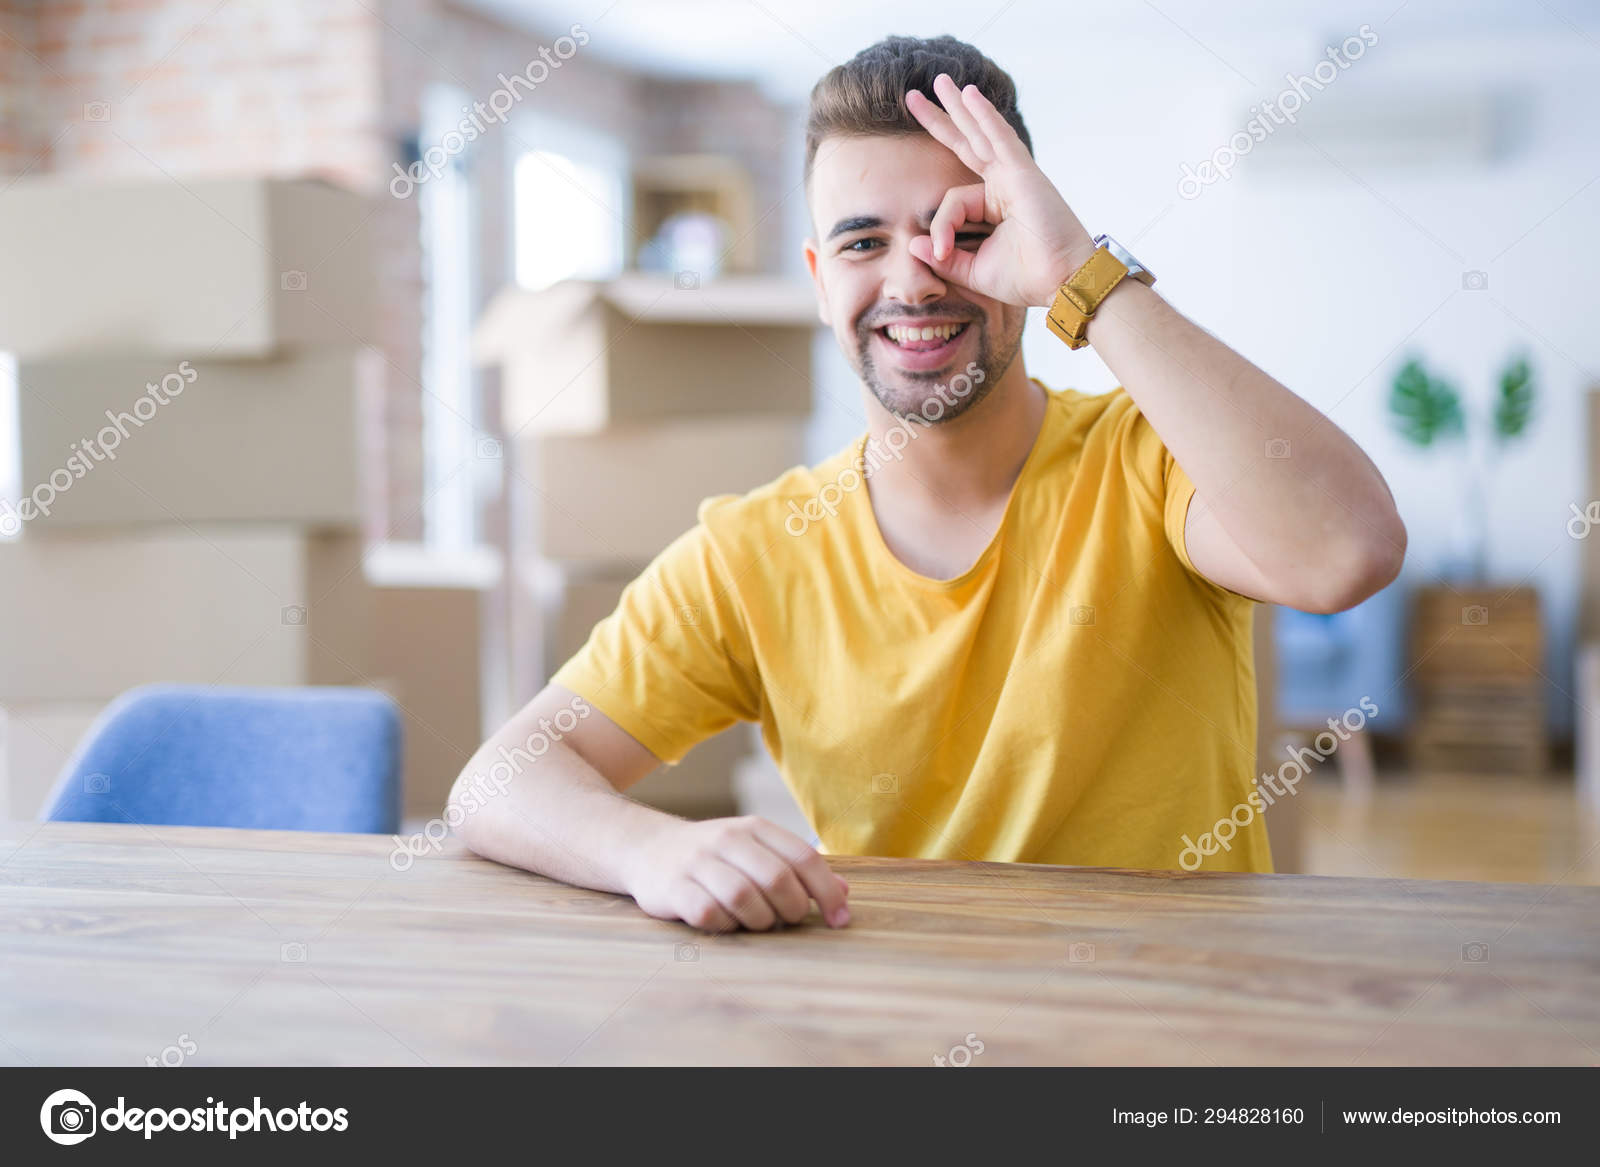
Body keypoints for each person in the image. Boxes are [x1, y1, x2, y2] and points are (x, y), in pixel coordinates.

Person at [448, 35, 1406, 933]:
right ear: (823, 280)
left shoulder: (1147, 462)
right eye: (864, 243)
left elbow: (1348, 553)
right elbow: (497, 784)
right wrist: (650, 848)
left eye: (966, 228)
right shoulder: (754, 553)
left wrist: (1085, 275)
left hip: (1167, 1039)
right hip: (901, 1035)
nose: (915, 280)